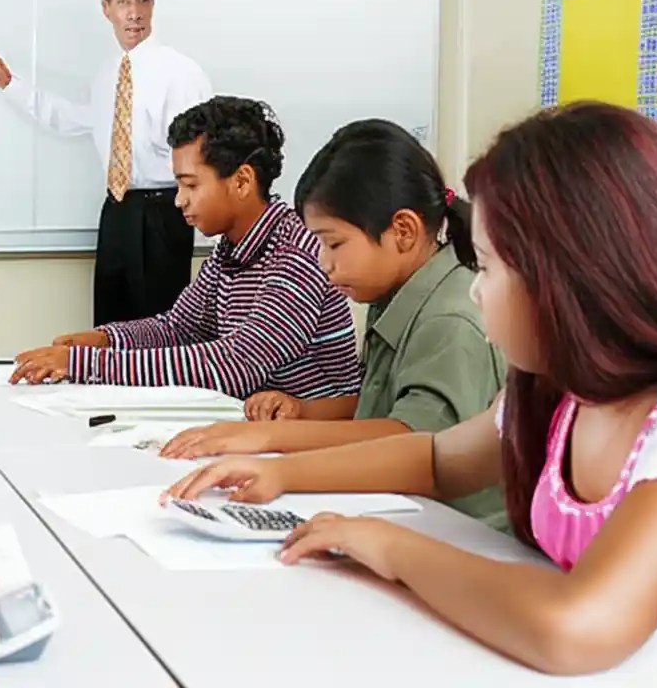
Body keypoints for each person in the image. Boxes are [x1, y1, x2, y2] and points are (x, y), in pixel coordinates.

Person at [163, 102, 657, 675]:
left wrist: (391, 548)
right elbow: (436, 460)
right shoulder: (557, 393)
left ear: (574, 276)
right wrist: (282, 472)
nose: (475, 291)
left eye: (488, 267)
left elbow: (576, 627)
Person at [158, 119, 505, 526]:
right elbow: (386, 403)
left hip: (460, 530)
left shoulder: (449, 321)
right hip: (406, 509)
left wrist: (271, 441)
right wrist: (306, 411)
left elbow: (414, 441)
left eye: (333, 243)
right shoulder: (397, 292)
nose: (324, 263)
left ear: (403, 231)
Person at [12, 97, 360, 401]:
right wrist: (103, 339)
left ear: (241, 181)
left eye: (190, 185)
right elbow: (178, 328)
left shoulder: (299, 250)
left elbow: (239, 364)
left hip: (313, 438)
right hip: (254, 426)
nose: (179, 201)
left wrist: (87, 364)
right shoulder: (229, 251)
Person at [0, 0, 212, 325]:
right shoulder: (107, 75)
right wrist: (11, 84)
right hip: (117, 210)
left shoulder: (180, 72)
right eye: (123, 2)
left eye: (142, 1)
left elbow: (203, 150)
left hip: (164, 212)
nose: (134, 13)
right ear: (107, 9)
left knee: (159, 329)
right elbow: (69, 118)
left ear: (153, 5)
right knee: (109, 323)